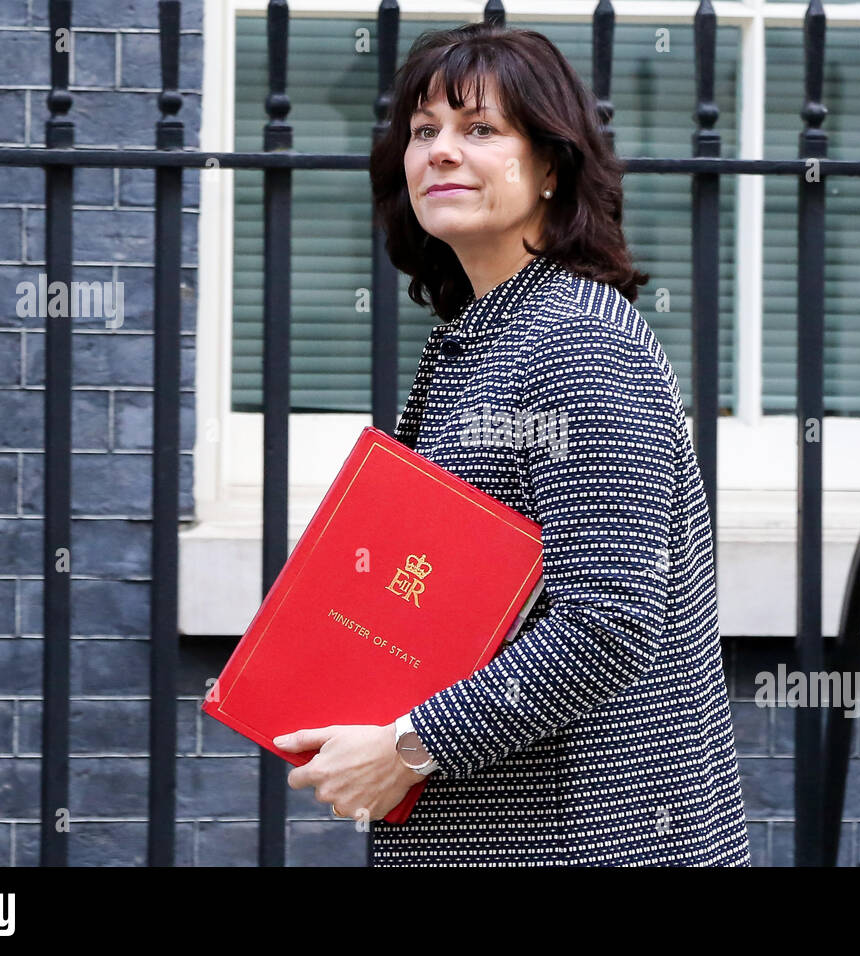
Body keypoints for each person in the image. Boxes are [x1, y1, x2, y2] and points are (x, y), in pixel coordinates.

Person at [273, 20, 751, 866]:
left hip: (587, 836)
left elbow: (607, 622)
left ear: (551, 167)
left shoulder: (580, 340)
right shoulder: (481, 334)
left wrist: (408, 748)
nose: (441, 152)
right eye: (424, 132)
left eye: (479, 129)